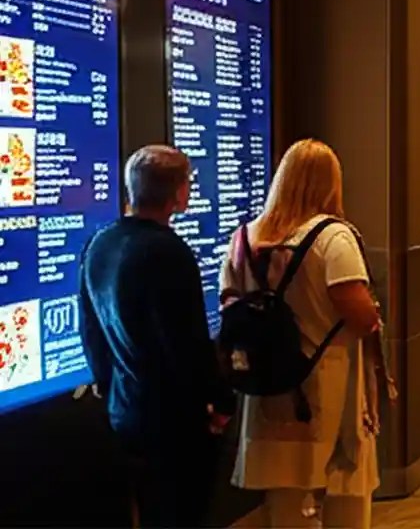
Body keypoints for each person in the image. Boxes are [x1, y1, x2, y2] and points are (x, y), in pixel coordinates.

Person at [220, 139, 387, 529]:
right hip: (327, 381)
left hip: (269, 386)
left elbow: (230, 303)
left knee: (285, 498)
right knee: (345, 488)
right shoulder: (333, 237)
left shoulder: (244, 237)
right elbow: (360, 315)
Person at [79, 145, 233, 527]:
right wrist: (220, 401)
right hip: (173, 423)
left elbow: (91, 329)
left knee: (147, 511)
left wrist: (106, 385)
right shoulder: (169, 252)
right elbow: (188, 344)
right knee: (182, 513)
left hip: (125, 412)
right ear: (178, 193)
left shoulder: (100, 242)